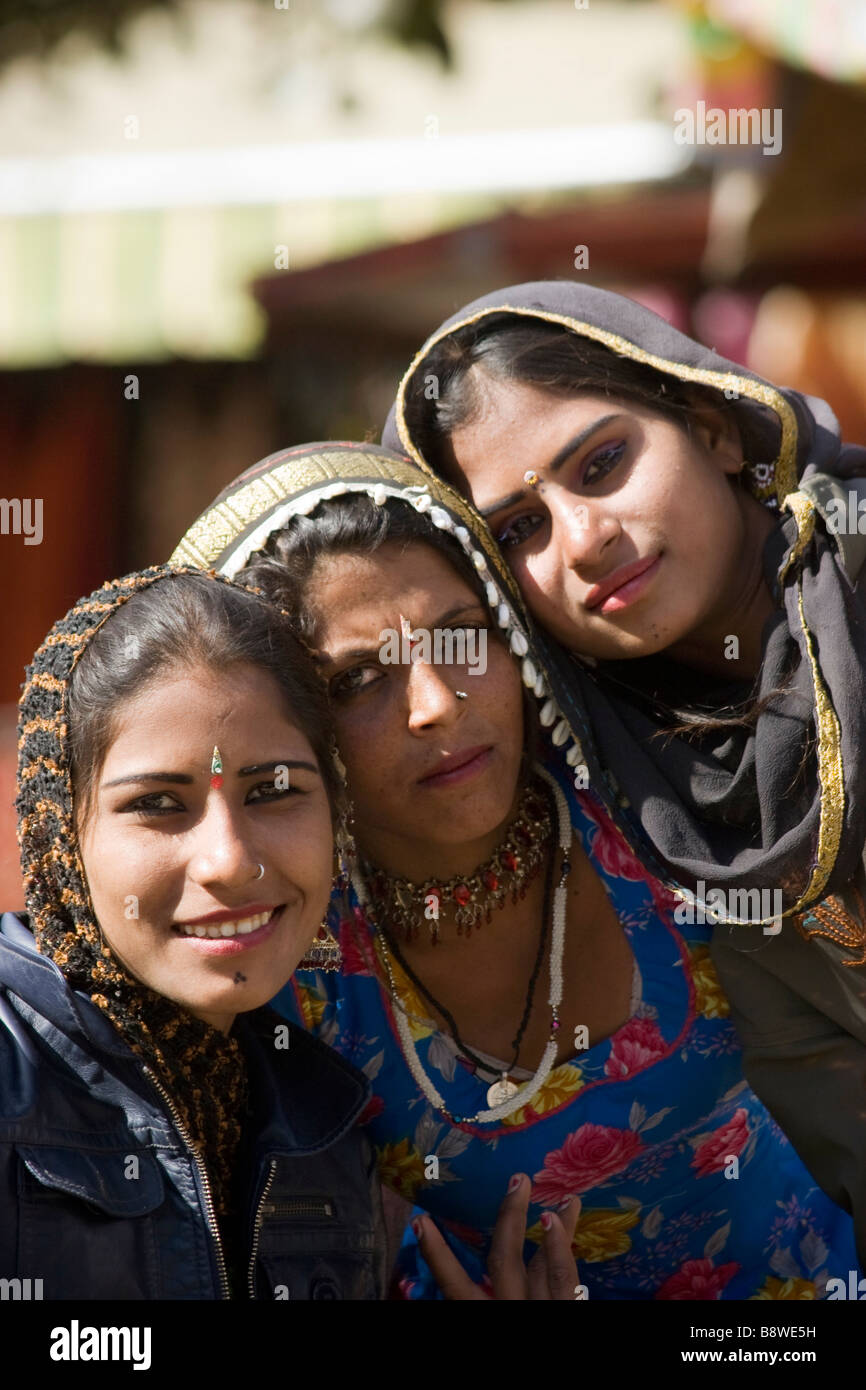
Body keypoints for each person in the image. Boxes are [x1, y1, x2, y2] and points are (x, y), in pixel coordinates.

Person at [172, 440, 859, 1300]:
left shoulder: (661, 804)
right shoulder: (295, 968)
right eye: (355, 682)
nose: (433, 703)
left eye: (461, 639)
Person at [381, 280, 866, 1261]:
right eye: (517, 528)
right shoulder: (630, 799)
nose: (584, 537)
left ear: (711, 425)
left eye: (601, 463)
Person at [2, 564, 388, 1300]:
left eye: (273, 791)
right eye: (157, 804)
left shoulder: (325, 1131)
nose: (230, 861)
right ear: (59, 829)